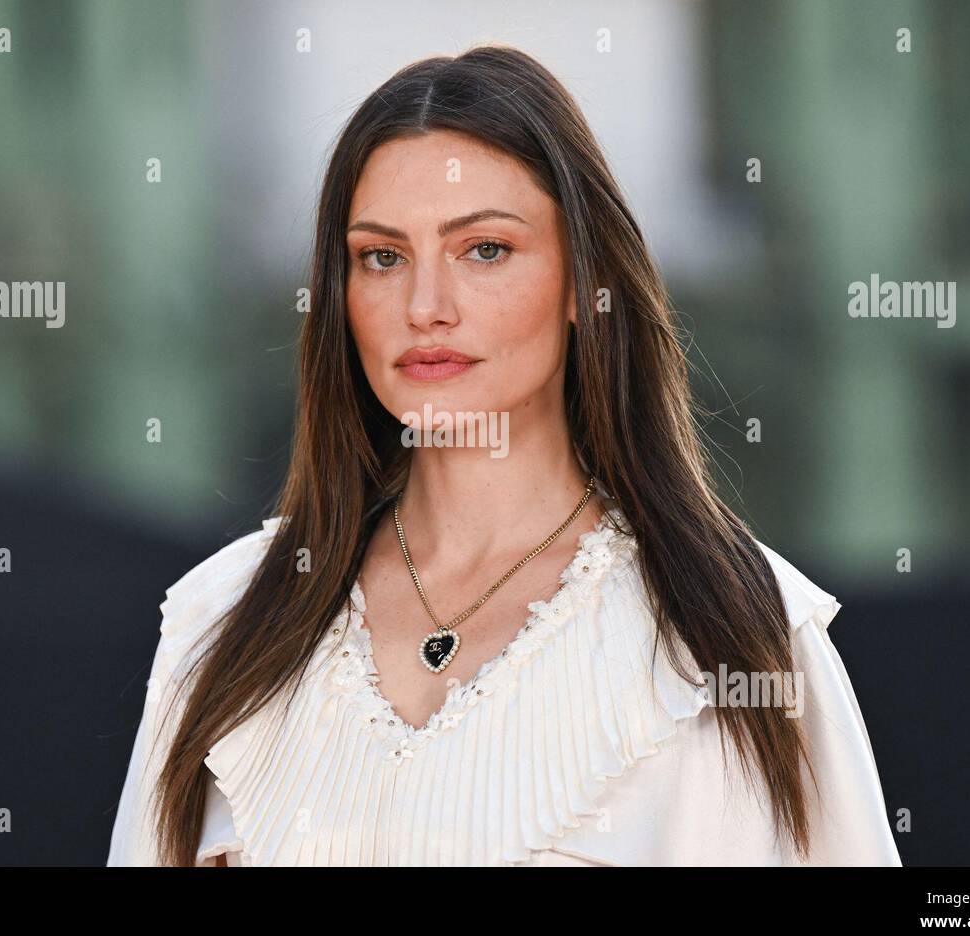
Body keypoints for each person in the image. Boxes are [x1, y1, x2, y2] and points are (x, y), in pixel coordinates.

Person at [107, 45, 901, 867]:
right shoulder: (225, 623)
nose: (425, 307)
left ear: (580, 284)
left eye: (484, 249)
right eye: (382, 257)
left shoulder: (724, 630)